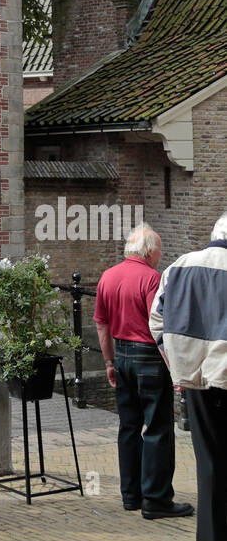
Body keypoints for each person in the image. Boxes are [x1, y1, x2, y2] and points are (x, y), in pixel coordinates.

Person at [94, 222, 192, 519]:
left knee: (128, 427)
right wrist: (175, 369)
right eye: (159, 250)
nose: (160, 256)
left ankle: (131, 495)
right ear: (149, 251)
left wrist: (110, 362)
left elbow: (102, 324)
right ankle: (157, 499)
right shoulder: (152, 279)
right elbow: (161, 326)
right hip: (149, 357)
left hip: (121, 355)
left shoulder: (108, 277)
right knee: (159, 428)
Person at [149, 210, 227, 541]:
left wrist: (175, 362)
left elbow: (157, 320)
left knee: (209, 460)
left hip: (196, 379)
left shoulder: (179, 265)